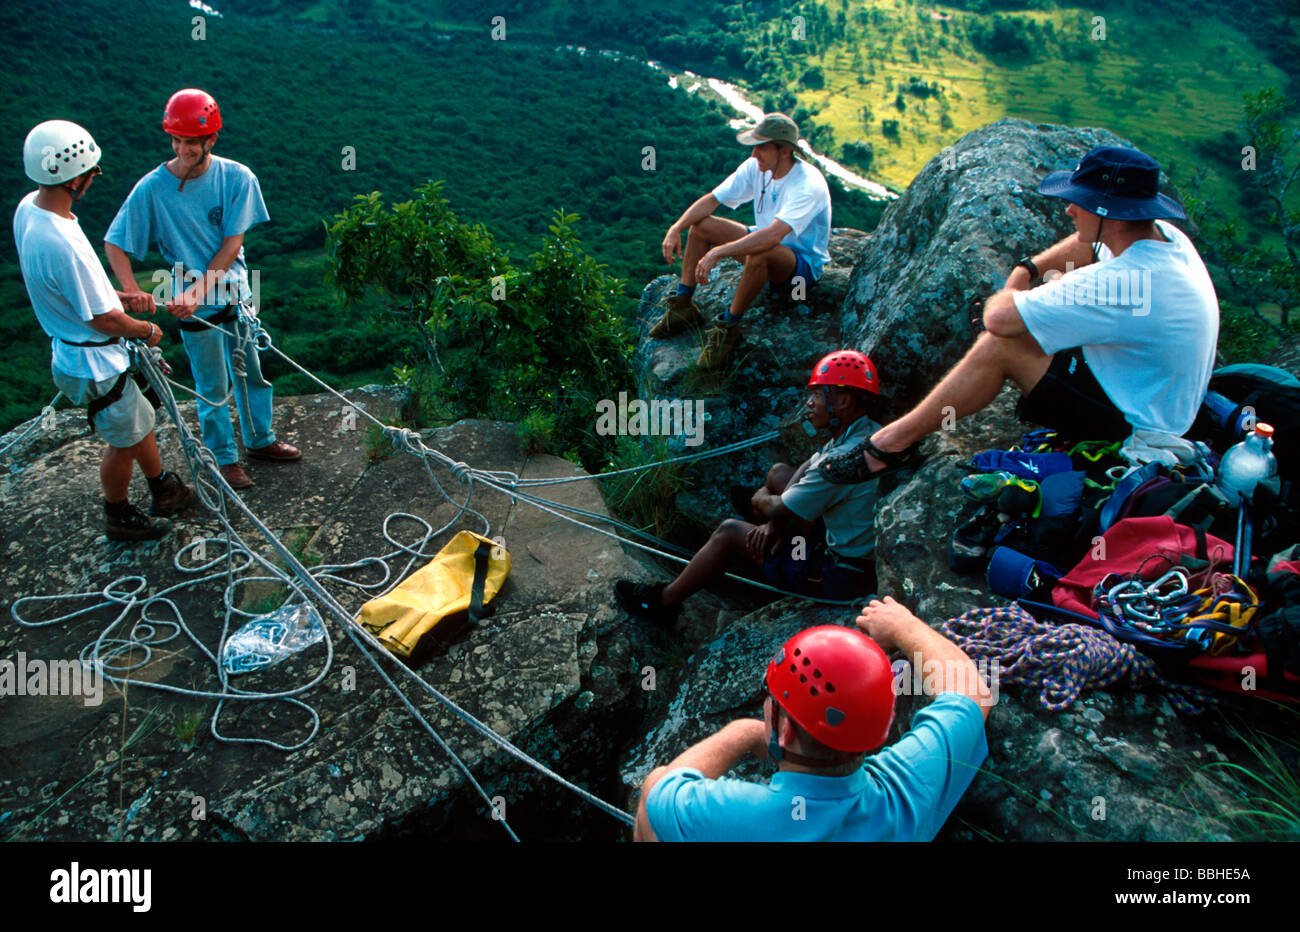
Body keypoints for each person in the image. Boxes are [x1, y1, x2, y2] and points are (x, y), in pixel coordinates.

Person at [817, 145, 1220, 484]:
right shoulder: (1164, 239)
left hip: (1138, 427)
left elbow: (998, 320)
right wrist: (1028, 271)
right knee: (1019, 326)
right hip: (1160, 399)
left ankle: (888, 446)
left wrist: (1009, 297)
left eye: (1079, 203)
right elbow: (1089, 247)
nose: (1068, 211)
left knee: (999, 346)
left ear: (1107, 212)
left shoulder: (1125, 281)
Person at [634, 597, 991, 842]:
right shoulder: (905, 796)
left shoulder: (737, 816)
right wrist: (904, 626)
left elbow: (658, 792)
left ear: (784, 728)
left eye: (770, 698)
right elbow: (972, 692)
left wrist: (740, 734)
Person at [104, 88, 300, 491]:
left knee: (252, 374)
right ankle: (224, 457)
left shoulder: (236, 177)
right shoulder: (153, 188)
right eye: (176, 140)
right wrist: (129, 290)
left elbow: (232, 244)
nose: (182, 148)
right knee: (211, 384)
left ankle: (260, 440)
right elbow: (115, 242)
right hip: (191, 304)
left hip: (234, 294)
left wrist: (199, 289)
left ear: (211, 139)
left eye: (191, 141)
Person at [14, 120, 194, 542]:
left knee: (138, 421)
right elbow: (103, 320)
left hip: (76, 348)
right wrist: (145, 328)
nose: (95, 178)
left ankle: (162, 487)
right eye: (93, 172)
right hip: (95, 360)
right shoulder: (62, 242)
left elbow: (75, 290)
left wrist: (113, 294)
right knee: (124, 441)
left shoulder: (30, 209)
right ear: (74, 177)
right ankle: (118, 514)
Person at [615, 350, 882, 625]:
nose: (809, 404)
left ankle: (662, 603)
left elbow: (774, 505)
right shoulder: (865, 433)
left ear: (844, 401)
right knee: (780, 472)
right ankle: (766, 532)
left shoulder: (837, 463)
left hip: (839, 577)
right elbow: (808, 464)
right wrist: (775, 523)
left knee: (729, 531)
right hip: (848, 543)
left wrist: (765, 507)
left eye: (817, 395)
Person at [653, 112, 832, 370]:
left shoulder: (807, 184)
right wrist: (676, 227)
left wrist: (719, 253)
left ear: (783, 151)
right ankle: (683, 304)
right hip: (766, 241)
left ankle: (729, 327)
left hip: (799, 270)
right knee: (701, 227)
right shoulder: (758, 168)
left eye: (761, 147)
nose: (754, 154)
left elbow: (772, 236)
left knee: (760, 252)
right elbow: (712, 199)